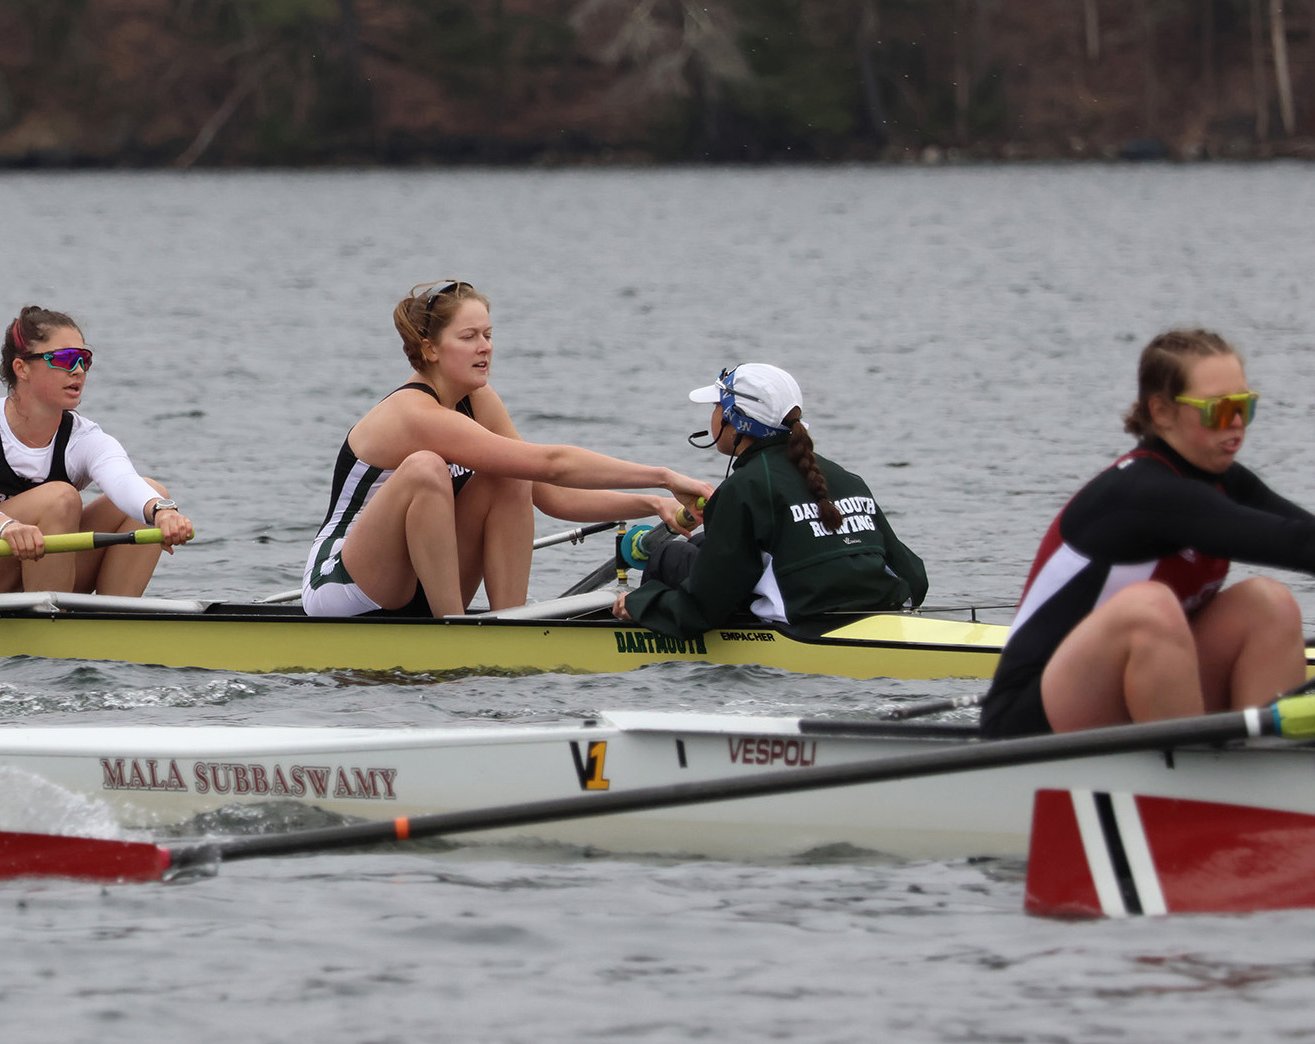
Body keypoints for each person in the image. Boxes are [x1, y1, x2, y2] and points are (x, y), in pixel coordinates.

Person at [301, 279, 711, 618]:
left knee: (514, 476)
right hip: (344, 583)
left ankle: (509, 627)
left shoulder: (479, 400)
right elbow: (552, 463)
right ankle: (455, 638)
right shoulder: (412, 412)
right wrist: (664, 476)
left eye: (488, 335)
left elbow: (550, 493)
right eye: (469, 337)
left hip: (422, 580)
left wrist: (653, 503)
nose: (485, 347)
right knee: (426, 468)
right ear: (430, 349)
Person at [981, 328, 1312, 738]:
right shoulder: (1142, 493)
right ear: (1161, 412)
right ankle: (1187, 784)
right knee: (1148, 609)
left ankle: (1268, 779)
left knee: (1269, 604)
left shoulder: (1225, 479)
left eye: (1246, 406)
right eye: (1220, 410)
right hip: (1030, 718)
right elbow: (1295, 545)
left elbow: (1305, 535)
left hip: (1133, 698)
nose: (1238, 423)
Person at [0, 305, 194, 599]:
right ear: (21, 368)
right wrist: (7, 528)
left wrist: (161, 511)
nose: (77, 370)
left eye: (83, 358)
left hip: (33, 570)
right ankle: (51, 628)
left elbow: (125, 482)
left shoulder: (83, 437)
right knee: (59, 499)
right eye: (63, 359)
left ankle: (112, 628)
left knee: (151, 492)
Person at [612, 362, 927, 636]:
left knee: (668, 555)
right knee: (701, 545)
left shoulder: (742, 488)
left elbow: (703, 609)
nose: (712, 415)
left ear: (735, 420)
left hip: (802, 622)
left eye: (715, 407)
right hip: (872, 608)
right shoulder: (847, 478)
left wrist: (643, 603)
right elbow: (915, 579)